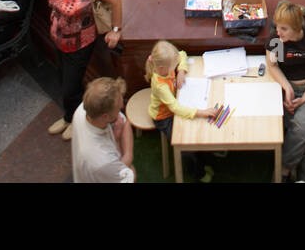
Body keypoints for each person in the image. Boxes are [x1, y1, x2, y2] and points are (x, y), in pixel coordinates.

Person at [46, 0, 123, 140]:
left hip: (79, 45)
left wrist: (115, 29)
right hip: (59, 41)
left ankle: (74, 120)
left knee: (71, 86)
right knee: (64, 80)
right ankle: (70, 116)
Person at [266, 1, 305, 184]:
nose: (278, 32)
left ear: (296, 28)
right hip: (285, 89)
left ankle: (282, 171)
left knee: (300, 127)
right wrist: (287, 87)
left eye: (284, 29)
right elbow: (273, 66)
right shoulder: (276, 41)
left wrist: (304, 97)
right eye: (277, 27)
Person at [146, 41, 219, 180]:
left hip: (177, 104)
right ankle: (198, 172)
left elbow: (182, 54)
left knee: (198, 130)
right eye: (174, 66)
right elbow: (175, 108)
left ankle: (205, 158)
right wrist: (201, 112)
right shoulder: (160, 86)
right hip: (164, 118)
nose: (175, 66)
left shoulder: (167, 64)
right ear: (162, 68)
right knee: (186, 145)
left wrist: (181, 71)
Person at [71, 76, 135, 183]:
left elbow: (125, 123)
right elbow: (130, 176)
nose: (122, 106)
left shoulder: (83, 109)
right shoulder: (102, 161)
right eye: (119, 108)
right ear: (105, 116)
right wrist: (127, 154)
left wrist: (116, 139)